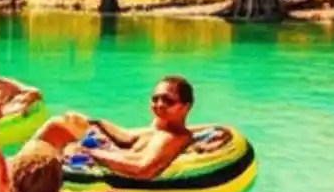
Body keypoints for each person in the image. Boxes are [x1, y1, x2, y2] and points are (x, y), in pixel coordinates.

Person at [31, 75, 222, 180]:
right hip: (112, 148)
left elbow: (142, 168)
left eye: (167, 100)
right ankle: (25, 163)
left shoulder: (170, 137)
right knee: (66, 120)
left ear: (185, 107)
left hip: (106, 157)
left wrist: (92, 153)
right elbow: (130, 138)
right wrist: (97, 123)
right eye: (155, 99)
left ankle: (24, 169)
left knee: (56, 128)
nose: (159, 104)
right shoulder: (161, 125)